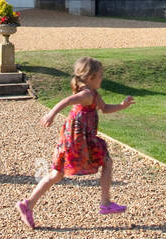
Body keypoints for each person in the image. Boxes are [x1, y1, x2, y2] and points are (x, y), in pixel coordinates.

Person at [17, 56, 134, 228]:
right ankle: (105, 203)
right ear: (90, 77)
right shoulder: (86, 94)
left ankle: (28, 205)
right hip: (78, 140)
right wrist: (51, 114)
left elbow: (105, 108)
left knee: (56, 174)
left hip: (79, 139)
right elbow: (66, 101)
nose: (103, 78)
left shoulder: (93, 94)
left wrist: (122, 106)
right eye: (100, 75)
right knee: (106, 162)